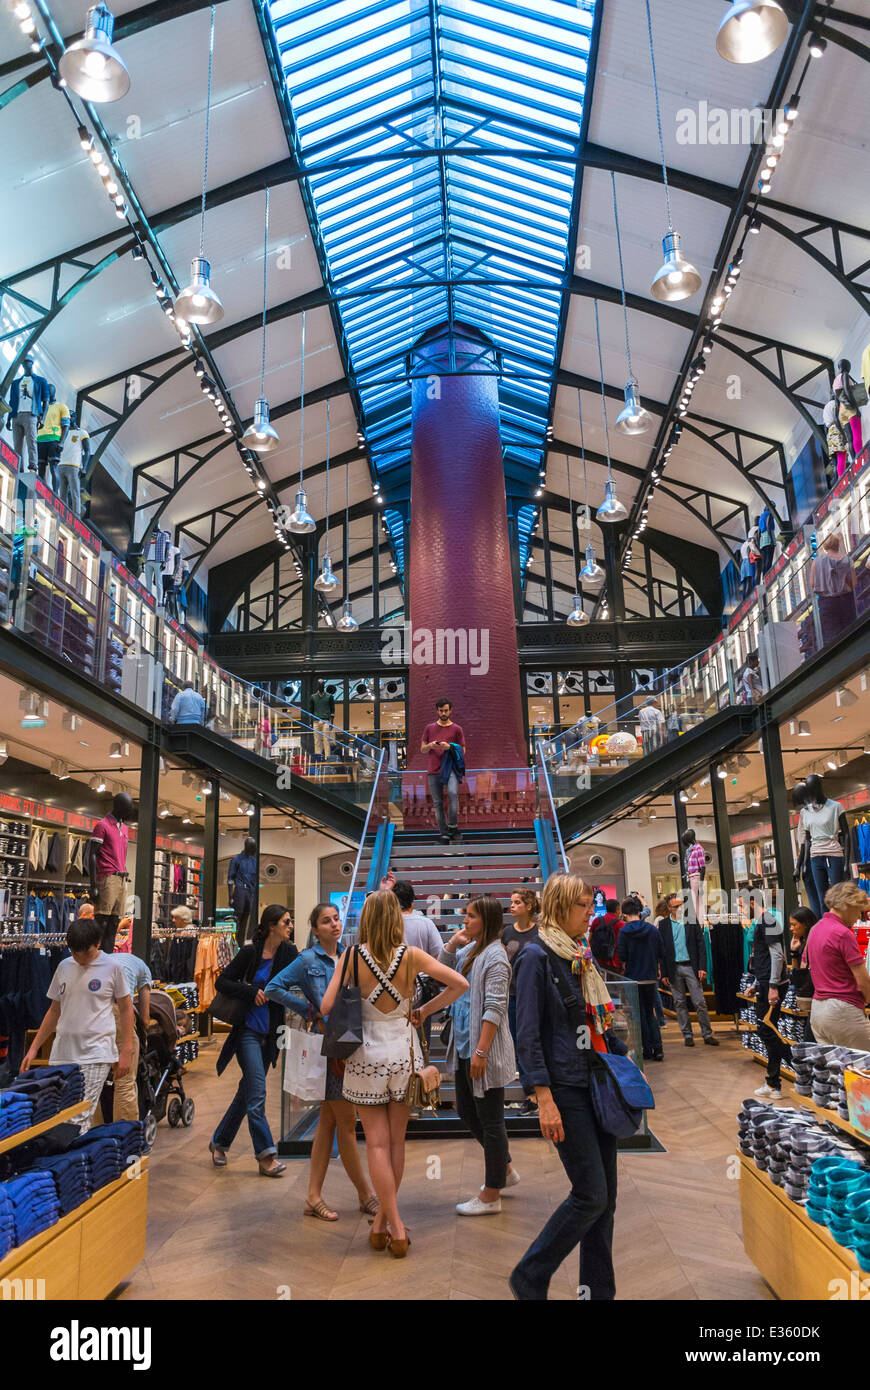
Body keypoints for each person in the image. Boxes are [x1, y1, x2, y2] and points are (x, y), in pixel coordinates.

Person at [320, 890, 467, 1256]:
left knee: (376, 1143)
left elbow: (326, 1005)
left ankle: (390, 1224)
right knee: (398, 1143)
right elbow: (460, 985)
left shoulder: (351, 956)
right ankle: (389, 1224)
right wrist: (423, 1010)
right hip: (405, 1054)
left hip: (365, 1056)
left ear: (367, 918)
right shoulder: (411, 956)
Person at [511, 873, 618, 1301]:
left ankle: (597, 1292)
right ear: (558, 907)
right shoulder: (536, 957)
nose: (590, 914)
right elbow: (527, 1033)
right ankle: (530, 1274)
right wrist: (543, 1098)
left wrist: (620, 1056)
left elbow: (594, 1019)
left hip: (595, 1079)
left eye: (592, 905)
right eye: (583, 906)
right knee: (590, 1193)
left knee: (605, 1200)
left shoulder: (579, 954)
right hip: (564, 1088)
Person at [265, 902, 377, 1221]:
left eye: (336, 919)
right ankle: (366, 1194)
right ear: (315, 929)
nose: (334, 924)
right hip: (329, 1047)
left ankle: (313, 1196)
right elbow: (273, 988)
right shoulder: (307, 960)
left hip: (350, 1043)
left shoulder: (350, 955)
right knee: (345, 1122)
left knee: (329, 1123)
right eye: (326, 921)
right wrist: (307, 1009)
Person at [440, 897, 518, 1215]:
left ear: (485, 920)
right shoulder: (473, 951)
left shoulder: (496, 957)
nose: (465, 921)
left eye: (470, 917)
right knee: (468, 1114)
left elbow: (495, 1006)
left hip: (481, 1049)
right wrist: (451, 943)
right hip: (463, 1045)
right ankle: (505, 1169)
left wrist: (481, 1051)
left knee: (490, 1121)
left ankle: (492, 1194)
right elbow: (444, 974)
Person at [21, 918, 134, 1133]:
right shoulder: (64, 966)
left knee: (79, 1117)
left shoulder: (113, 967)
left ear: (98, 944)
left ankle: (68, 1164)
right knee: (57, 1114)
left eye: (86, 954)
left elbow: (126, 1008)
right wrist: (34, 1047)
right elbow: (54, 1010)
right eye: (75, 953)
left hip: (96, 1052)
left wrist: (126, 1049)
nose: (80, 959)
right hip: (62, 1052)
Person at [209, 904, 297, 1177]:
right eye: (286, 921)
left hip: (271, 1034)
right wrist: (250, 991)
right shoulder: (249, 952)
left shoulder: (289, 953)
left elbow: (297, 981)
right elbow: (222, 982)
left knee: (247, 1092)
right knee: (258, 1093)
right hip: (247, 1031)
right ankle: (266, 1155)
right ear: (271, 925)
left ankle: (220, 1142)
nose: (290, 925)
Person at [805, 882, 870, 1048]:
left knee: (836, 1070)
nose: (858, 917)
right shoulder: (842, 933)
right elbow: (862, 979)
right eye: (858, 911)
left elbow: (806, 964)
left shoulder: (815, 929)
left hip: (819, 1010)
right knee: (862, 1069)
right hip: (843, 1010)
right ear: (847, 905)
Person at [659, 892, 718, 1047]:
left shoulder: (691, 921)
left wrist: (702, 967)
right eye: (676, 906)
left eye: (681, 905)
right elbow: (662, 951)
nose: (679, 908)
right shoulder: (664, 925)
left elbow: (701, 945)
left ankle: (707, 1033)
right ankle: (687, 1035)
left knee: (700, 1002)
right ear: (669, 908)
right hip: (674, 968)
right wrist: (664, 972)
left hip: (691, 966)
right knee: (679, 1003)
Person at [745, 896, 788, 1097]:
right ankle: (773, 1082)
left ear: (752, 902)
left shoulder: (768, 920)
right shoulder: (762, 922)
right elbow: (764, 958)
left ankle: (797, 1064)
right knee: (766, 1030)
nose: (742, 910)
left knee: (767, 1030)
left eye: (742, 905)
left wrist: (772, 985)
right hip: (764, 983)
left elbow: (778, 955)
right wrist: (756, 984)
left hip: (772, 985)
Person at [391, 879, 443, 1044]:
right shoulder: (426, 923)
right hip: (421, 985)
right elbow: (439, 954)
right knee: (420, 1037)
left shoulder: (387, 925)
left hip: (392, 985)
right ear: (412, 903)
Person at [503, 889, 540, 1116]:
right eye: (511, 901)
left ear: (528, 906)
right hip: (513, 995)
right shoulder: (506, 933)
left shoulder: (540, 932)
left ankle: (540, 1092)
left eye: (517, 902)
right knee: (518, 1045)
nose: (512, 906)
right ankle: (530, 1094)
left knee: (535, 1043)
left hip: (535, 995)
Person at [617, 895, 664, 1061]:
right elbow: (661, 952)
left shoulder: (624, 932)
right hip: (650, 977)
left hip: (633, 978)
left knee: (638, 1015)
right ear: (639, 911)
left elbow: (622, 955)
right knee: (650, 1013)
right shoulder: (652, 930)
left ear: (624, 914)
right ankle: (658, 1049)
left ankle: (646, 1049)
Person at [111, 943, 152, 1122]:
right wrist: (143, 1034)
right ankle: (125, 1137)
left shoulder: (107, 959)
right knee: (125, 1082)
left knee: (91, 1082)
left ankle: (92, 1136)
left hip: (91, 1011)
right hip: (117, 1012)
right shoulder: (144, 970)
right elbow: (145, 1016)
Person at [421, 698, 465, 844]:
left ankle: (453, 826)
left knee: (453, 793)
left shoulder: (457, 729)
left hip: (450, 767)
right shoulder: (429, 728)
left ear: (450, 710)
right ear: (437, 711)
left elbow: (463, 750)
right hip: (433, 769)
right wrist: (431, 745)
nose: (443, 713)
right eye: (441, 711)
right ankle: (444, 833)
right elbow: (422, 749)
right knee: (438, 803)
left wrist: (449, 747)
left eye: (446, 710)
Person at [810, 533, 856, 645]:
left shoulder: (816, 562)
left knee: (832, 639)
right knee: (852, 633)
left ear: (825, 546)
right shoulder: (847, 560)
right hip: (846, 600)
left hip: (827, 602)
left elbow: (812, 584)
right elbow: (854, 583)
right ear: (837, 545)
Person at [788, 906, 817, 1040]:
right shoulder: (803, 943)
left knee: (810, 1040)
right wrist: (793, 952)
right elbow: (798, 974)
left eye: (794, 925)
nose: (791, 928)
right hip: (811, 998)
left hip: (819, 998)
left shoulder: (815, 941)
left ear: (805, 924)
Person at [590, 898, 623, 972]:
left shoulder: (596, 920)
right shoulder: (621, 924)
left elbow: (589, 939)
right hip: (614, 962)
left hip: (598, 961)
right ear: (618, 909)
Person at [310, 679, 335, 761]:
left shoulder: (329, 696)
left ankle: (327, 758)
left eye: (322, 684)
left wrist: (331, 723)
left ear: (324, 685)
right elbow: (311, 711)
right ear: (317, 685)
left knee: (326, 740)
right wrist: (311, 722)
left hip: (325, 721)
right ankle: (318, 757)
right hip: (316, 721)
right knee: (317, 740)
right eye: (319, 684)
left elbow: (332, 711)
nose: (321, 686)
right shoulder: (313, 697)